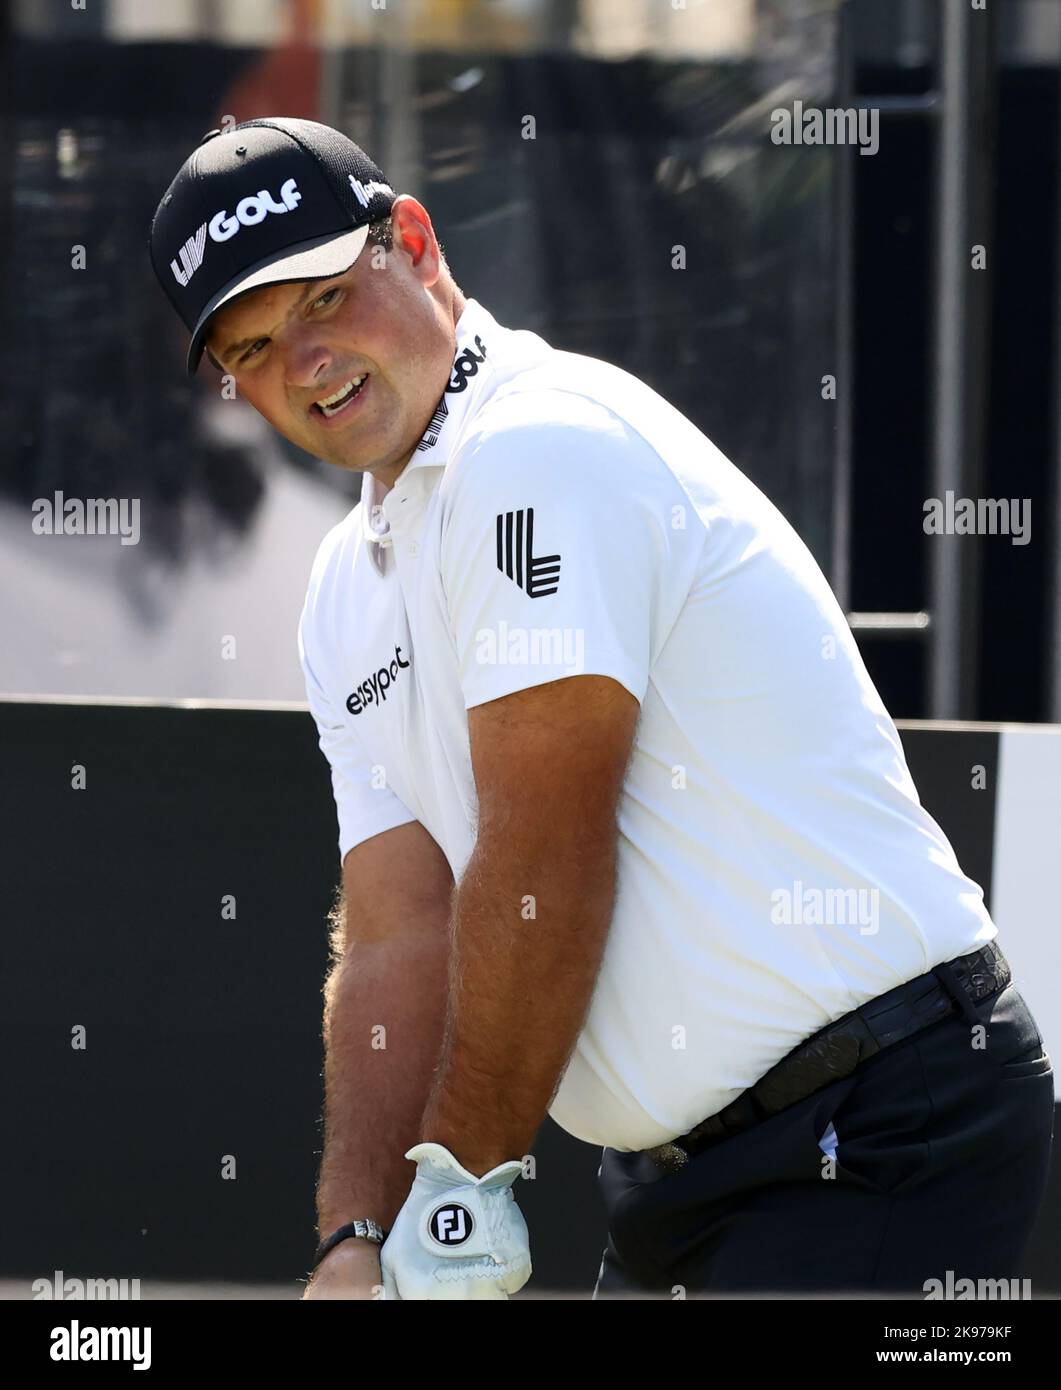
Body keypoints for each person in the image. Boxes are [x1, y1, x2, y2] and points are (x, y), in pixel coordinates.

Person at [149, 117, 1054, 1300]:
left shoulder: (538, 444)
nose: (304, 361)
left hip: (878, 1124)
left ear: (413, 243)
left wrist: (461, 1191)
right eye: (257, 348)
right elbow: (394, 933)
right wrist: (356, 1239)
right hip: (673, 1182)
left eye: (322, 298)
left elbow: (543, 854)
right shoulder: (341, 592)